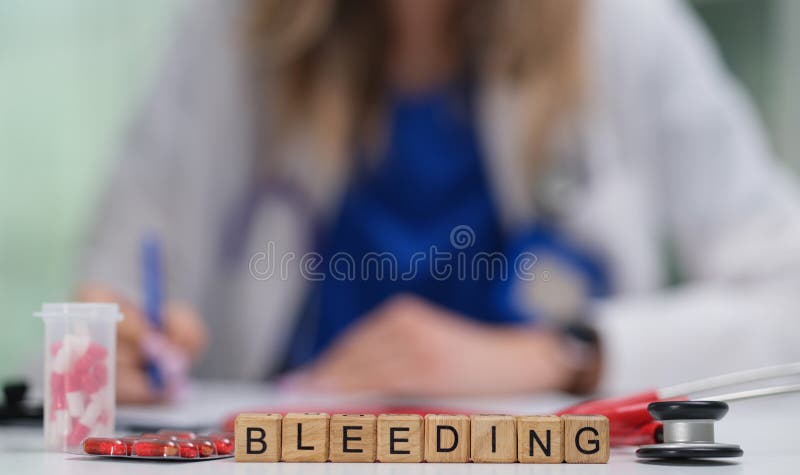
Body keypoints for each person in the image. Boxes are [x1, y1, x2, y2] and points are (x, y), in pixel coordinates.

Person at [79, 0, 800, 403]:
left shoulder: (626, 31)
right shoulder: (233, 36)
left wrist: (564, 355)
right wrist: (122, 351)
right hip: (282, 473)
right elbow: (111, 296)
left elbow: (787, 296)